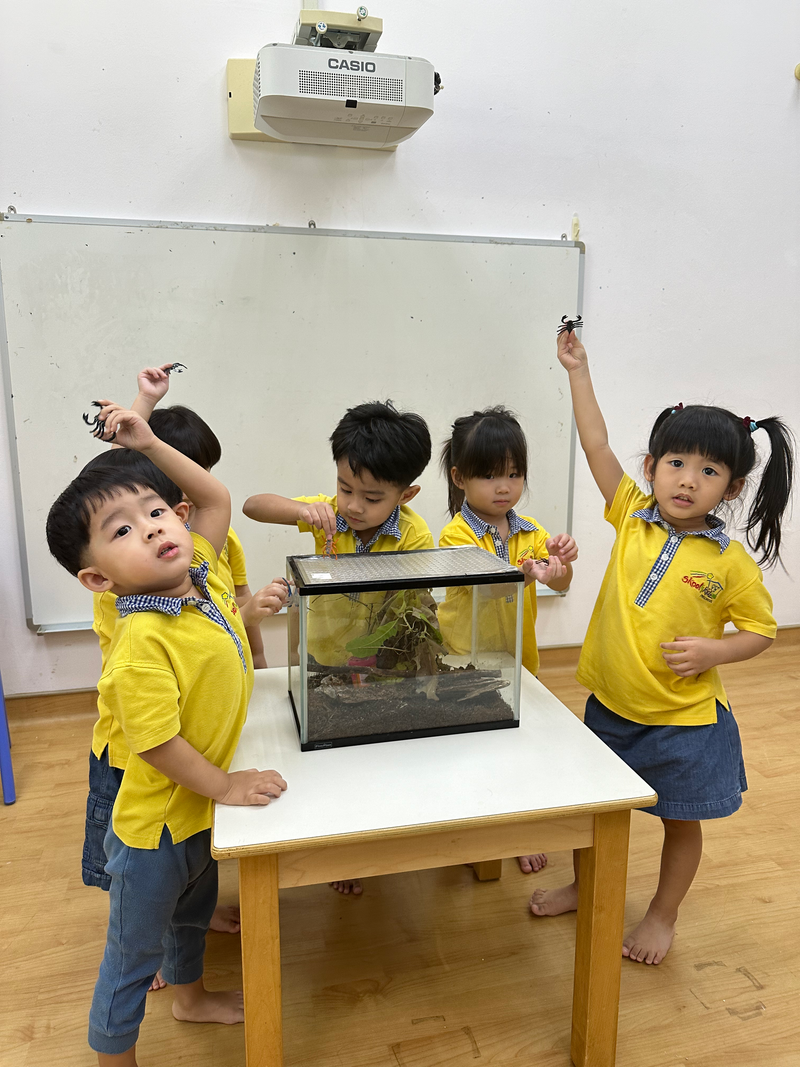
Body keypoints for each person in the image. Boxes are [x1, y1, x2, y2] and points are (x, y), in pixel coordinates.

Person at [530, 327, 794, 966]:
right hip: (612, 708)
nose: (686, 480)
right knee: (597, 812)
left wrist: (714, 653)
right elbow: (596, 442)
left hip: (686, 725)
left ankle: (661, 915)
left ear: (730, 489)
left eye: (708, 471)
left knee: (682, 824)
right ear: (651, 468)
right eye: (675, 464)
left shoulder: (730, 561)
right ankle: (582, 883)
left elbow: (761, 632)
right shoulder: (629, 512)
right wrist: (577, 369)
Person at [47, 401, 289, 1066]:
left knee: (191, 919)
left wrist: (148, 439)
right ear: (98, 577)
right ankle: (113, 1056)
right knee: (131, 955)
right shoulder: (139, 640)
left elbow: (215, 495)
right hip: (155, 830)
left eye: (156, 511)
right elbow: (155, 743)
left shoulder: (201, 576)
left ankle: (191, 994)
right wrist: (227, 784)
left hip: (196, 816)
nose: (152, 529)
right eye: (122, 529)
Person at [244, 399, 433, 895]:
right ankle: (334, 850)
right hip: (319, 657)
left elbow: (407, 604)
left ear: (406, 492)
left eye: (371, 497)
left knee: (372, 759)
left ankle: (371, 843)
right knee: (324, 761)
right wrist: (300, 509)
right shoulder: (328, 517)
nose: (353, 505)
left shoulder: (414, 535)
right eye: (345, 488)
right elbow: (253, 505)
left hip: (381, 664)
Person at [439, 406, 578, 875]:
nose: (504, 487)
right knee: (472, 749)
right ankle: (473, 828)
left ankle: (515, 830)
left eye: (515, 474)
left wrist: (558, 567)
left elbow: (560, 584)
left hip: (519, 659)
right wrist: (521, 574)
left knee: (516, 748)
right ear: (459, 478)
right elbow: (483, 581)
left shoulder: (531, 531)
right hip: (467, 660)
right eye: (490, 475)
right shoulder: (455, 533)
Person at [127, 364, 269, 668]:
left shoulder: (221, 537)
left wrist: (257, 658)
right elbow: (116, 469)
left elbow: (236, 598)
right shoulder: (142, 556)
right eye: (186, 473)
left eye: (204, 473)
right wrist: (145, 402)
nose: (197, 484)